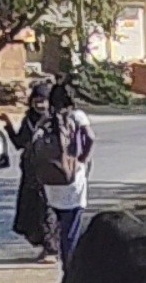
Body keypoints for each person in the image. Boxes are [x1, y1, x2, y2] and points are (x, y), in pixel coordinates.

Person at [30, 79, 96, 265]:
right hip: (73, 178)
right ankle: (69, 268)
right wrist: (82, 159)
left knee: (59, 225)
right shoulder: (77, 116)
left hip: (51, 182)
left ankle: (64, 264)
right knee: (71, 229)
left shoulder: (45, 120)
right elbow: (90, 137)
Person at [5, 81, 55, 259]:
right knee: (29, 210)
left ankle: (51, 249)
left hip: (50, 172)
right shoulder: (29, 120)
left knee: (47, 209)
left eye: (44, 100)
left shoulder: (55, 121)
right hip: (29, 173)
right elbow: (20, 143)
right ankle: (43, 244)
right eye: (37, 100)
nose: (40, 105)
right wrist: (7, 126)